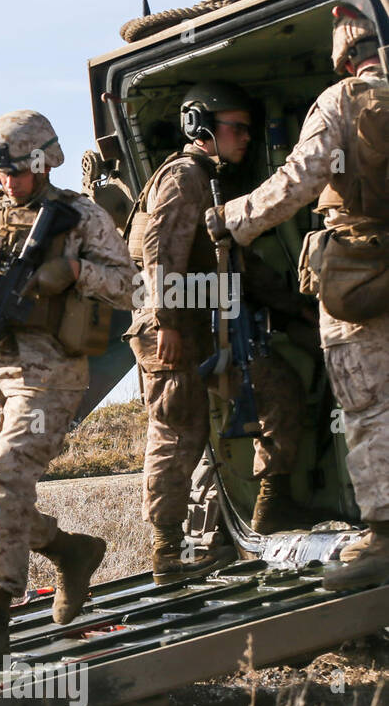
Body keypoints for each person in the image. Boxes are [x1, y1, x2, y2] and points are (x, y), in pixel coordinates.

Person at [0, 110, 137, 664]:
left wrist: (74, 273)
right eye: (1, 174)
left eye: (18, 172)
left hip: (51, 375)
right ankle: (71, 551)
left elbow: (130, 285)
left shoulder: (81, 217)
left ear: (44, 162)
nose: (9, 183)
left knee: (7, 475)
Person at [208, 5, 389, 590]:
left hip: (360, 276)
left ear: (344, 60)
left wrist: (232, 219)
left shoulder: (342, 101)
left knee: (366, 407)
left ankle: (384, 536)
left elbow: (299, 180)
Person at [130, 81, 320, 583]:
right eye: (236, 129)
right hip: (172, 330)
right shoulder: (182, 176)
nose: (243, 139)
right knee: (178, 434)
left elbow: (236, 261)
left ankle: (271, 508)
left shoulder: (212, 182)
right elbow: (160, 249)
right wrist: (168, 321)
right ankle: (166, 552)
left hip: (211, 327)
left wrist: (294, 307)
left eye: (247, 131)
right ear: (201, 129)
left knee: (279, 393)